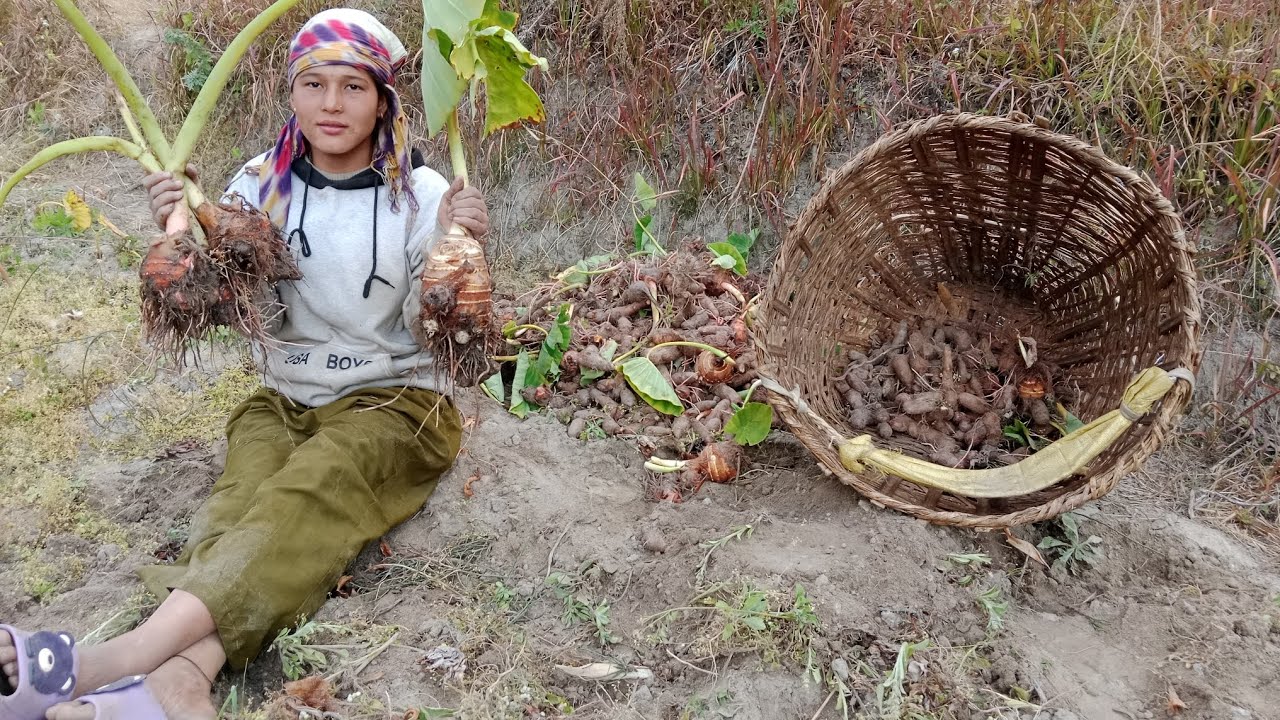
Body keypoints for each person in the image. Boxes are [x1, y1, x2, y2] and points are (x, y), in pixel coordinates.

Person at [0, 9, 488, 718]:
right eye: (313, 83)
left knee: (312, 492)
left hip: (398, 405)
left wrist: (453, 247)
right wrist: (184, 231)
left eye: (352, 87)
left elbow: (431, 327)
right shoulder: (259, 185)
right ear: (290, 90)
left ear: (384, 98)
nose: (330, 104)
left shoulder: (424, 194)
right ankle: (182, 682)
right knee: (236, 510)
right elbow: (256, 319)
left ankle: (108, 661)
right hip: (286, 398)